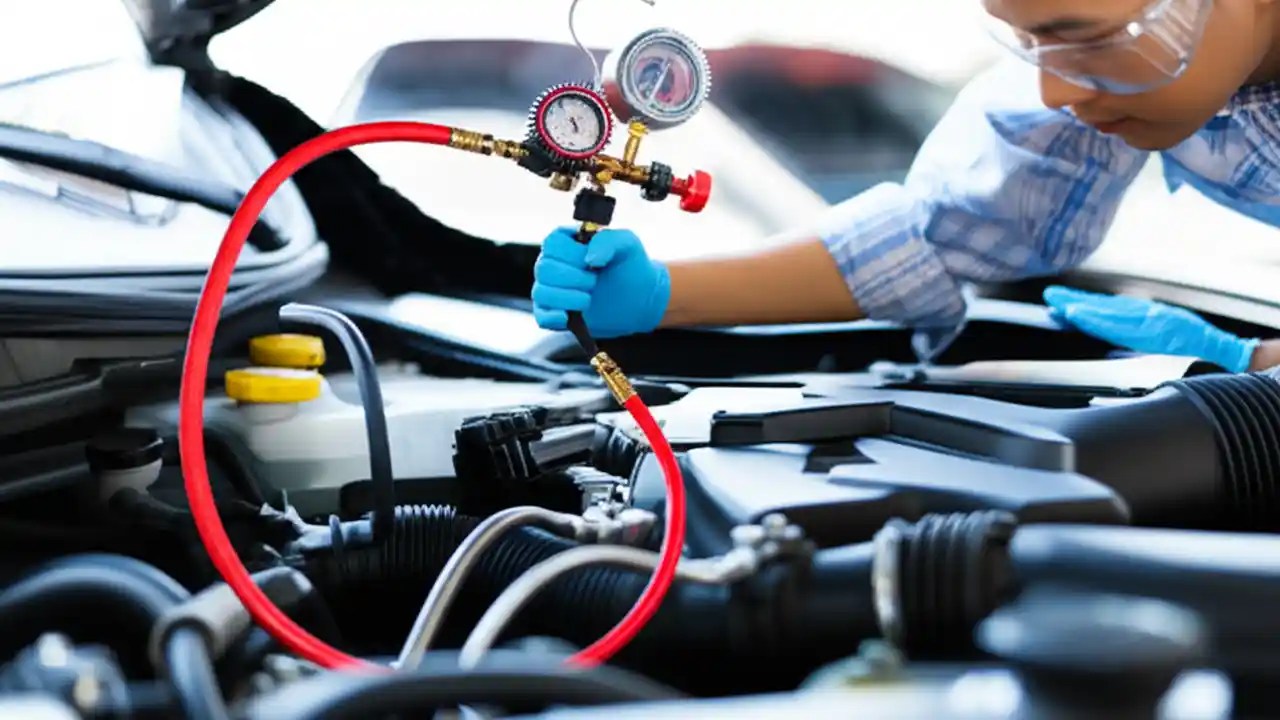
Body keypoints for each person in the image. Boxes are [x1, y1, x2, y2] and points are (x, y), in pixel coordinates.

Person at [530, 0, 1280, 372]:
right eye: (1028, 42)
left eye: (1083, 36)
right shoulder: (1090, 80)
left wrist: (1251, 365)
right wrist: (663, 294)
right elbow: (933, 239)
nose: (1055, 90)